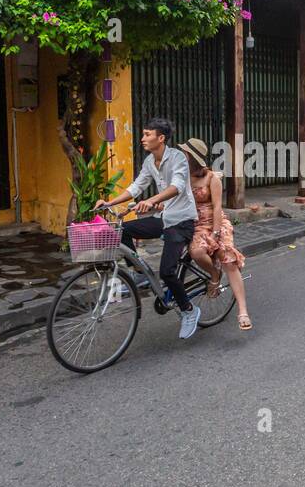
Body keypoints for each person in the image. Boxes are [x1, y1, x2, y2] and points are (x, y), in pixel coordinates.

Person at [95, 117, 200, 340]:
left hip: (181, 221)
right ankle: (140, 274)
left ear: (160, 138)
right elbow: (136, 186)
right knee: (122, 230)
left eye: (147, 135)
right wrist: (110, 203)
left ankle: (189, 311)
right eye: (143, 134)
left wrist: (151, 201)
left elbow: (178, 187)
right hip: (164, 217)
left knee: (167, 271)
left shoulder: (178, 157)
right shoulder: (150, 161)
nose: (143, 139)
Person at [180, 138, 252, 331]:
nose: (182, 156)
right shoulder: (182, 176)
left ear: (193, 158)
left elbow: (218, 207)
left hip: (216, 222)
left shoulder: (212, 178)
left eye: (185, 154)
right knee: (196, 253)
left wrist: (216, 233)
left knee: (227, 258)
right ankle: (214, 274)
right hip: (194, 224)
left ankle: (242, 311)